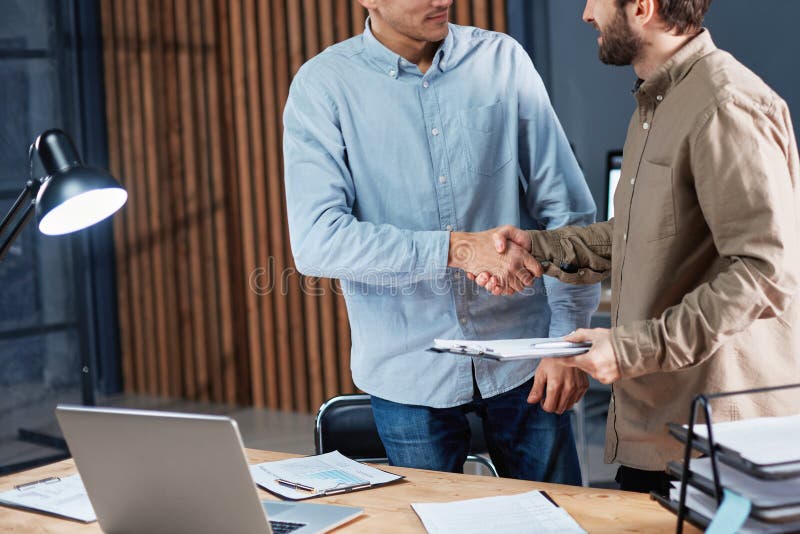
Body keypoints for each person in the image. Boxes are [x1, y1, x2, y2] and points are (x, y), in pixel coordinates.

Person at [474, 0, 800, 495]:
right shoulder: (659, 105)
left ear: (643, 7)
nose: (586, 14)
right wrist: (537, 249)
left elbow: (764, 272)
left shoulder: (725, 104)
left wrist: (631, 350)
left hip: (719, 450)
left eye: (595, 2)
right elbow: (636, 231)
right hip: (661, 434)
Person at [283, 0, 599, 484]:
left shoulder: (502, 60)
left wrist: (564, 342)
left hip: (528, 360)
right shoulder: (323, 86)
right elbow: (318, 241)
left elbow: (569, 212)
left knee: (563, 518)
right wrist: (455, 248)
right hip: (408, 371)